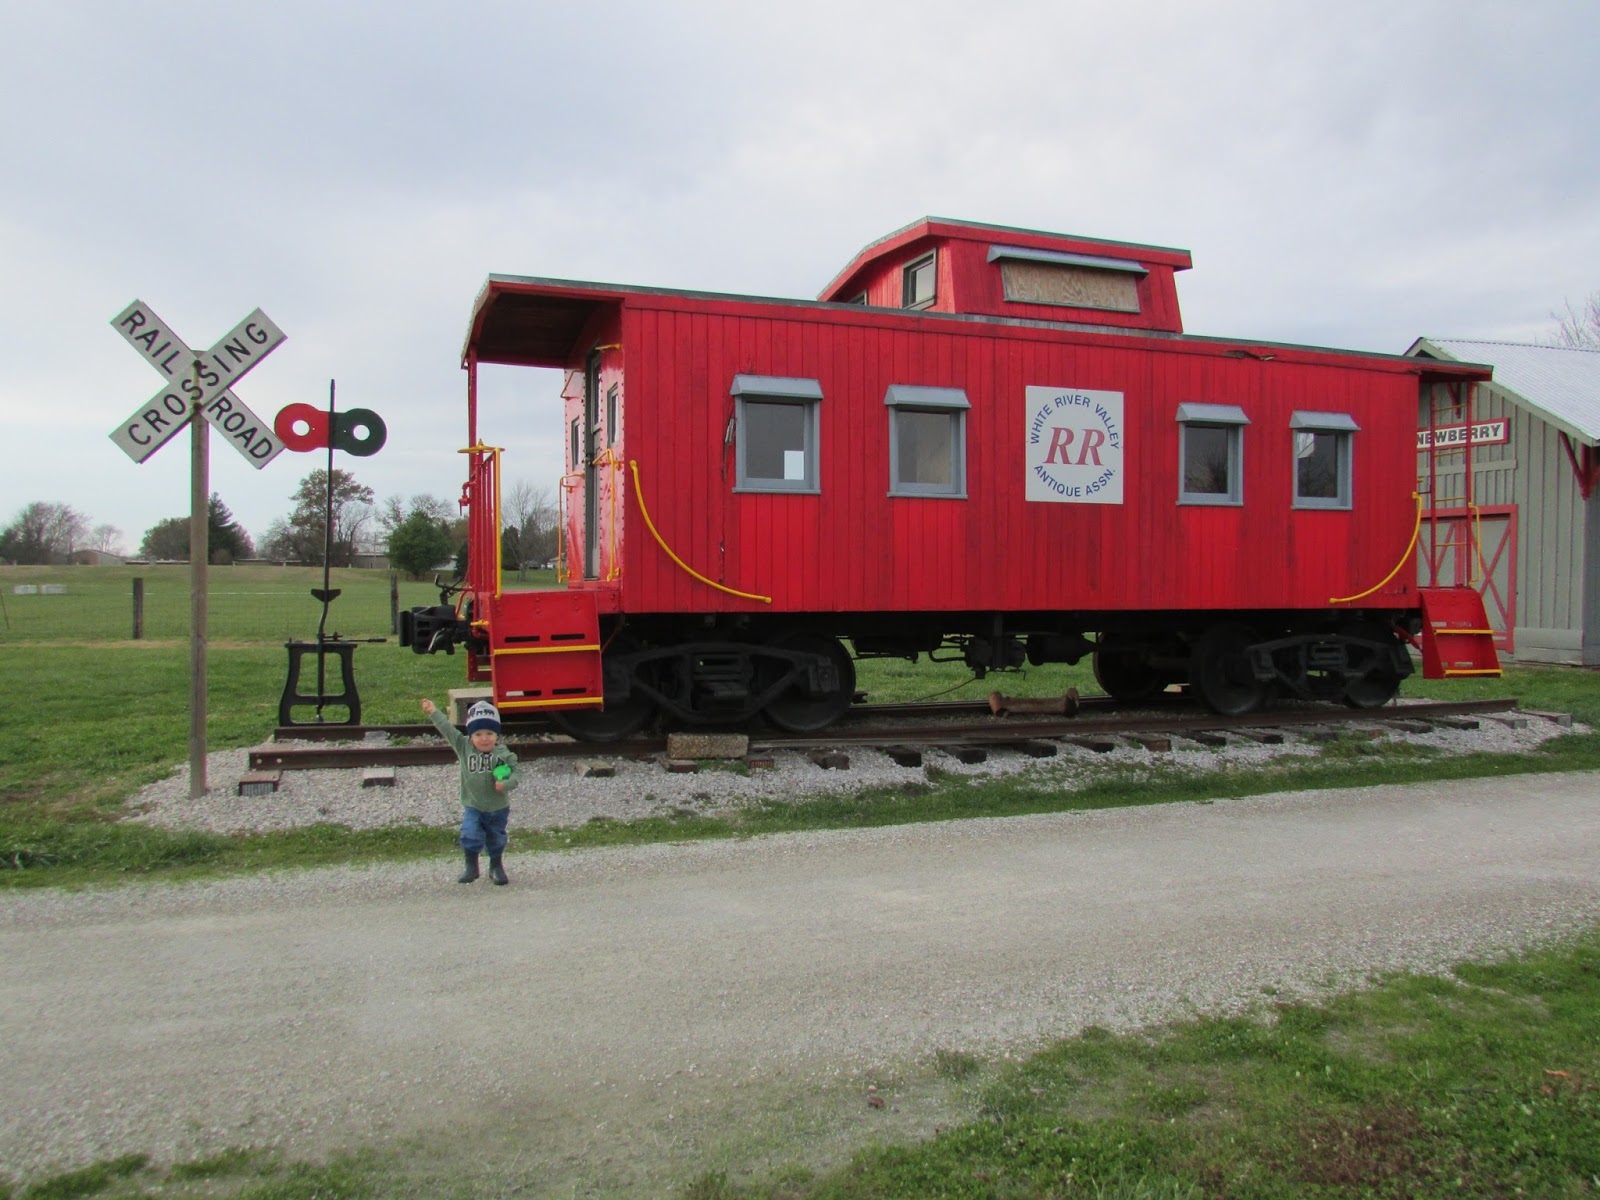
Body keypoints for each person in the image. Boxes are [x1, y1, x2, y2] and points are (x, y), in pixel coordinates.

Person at [421, 697, 519, 885]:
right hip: (473, 805)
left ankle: (496, 866)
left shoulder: (503, 754)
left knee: (496, 838)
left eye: (490, 733)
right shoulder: (464, 746)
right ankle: (471, 866)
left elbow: (517, 773)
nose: (484, 738)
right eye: (478, 734)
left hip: (498, 807)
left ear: (497, 735)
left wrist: (506, 784)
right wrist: (433, 711)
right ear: (471, 735)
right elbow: (447, 729)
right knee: (470, 834)